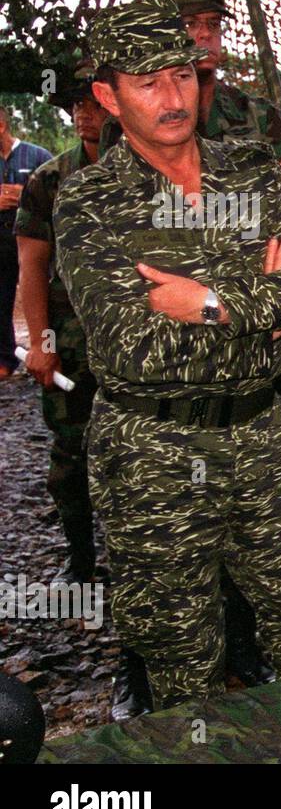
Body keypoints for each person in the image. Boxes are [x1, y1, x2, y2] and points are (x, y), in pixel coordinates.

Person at [55, 0, 281, 707]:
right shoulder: (90, 201)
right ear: (107, 95)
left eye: (181, 75)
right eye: (148, 81)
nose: (172, 95)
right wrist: (266, 302)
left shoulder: (248, 169)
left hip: (262, 440)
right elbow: (132, 348)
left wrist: (212, 303)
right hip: (153, 454)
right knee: (184, 666)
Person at [99, 0, 281, 225]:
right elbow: (140, 214)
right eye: (190, 24)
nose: (206, 34)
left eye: (214, 24)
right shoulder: (133, 119)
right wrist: (258, 201)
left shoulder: (256, 112)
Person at [13, 62, 106, 584]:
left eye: (92, 104)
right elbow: (32, 268)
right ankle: (81, 559)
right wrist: (42, 343)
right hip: (72, 343)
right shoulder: (50, 180)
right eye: (76, 106)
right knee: (71, 457)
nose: (83, 115)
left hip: (140, 345)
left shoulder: (149, 173)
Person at [0, 105, 54, 378]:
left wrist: (26, 194)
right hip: (2, 242)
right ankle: (6, 359)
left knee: (45, 295)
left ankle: (51, 353)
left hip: (35, 240)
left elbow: (59, 193)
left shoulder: (37, 156)